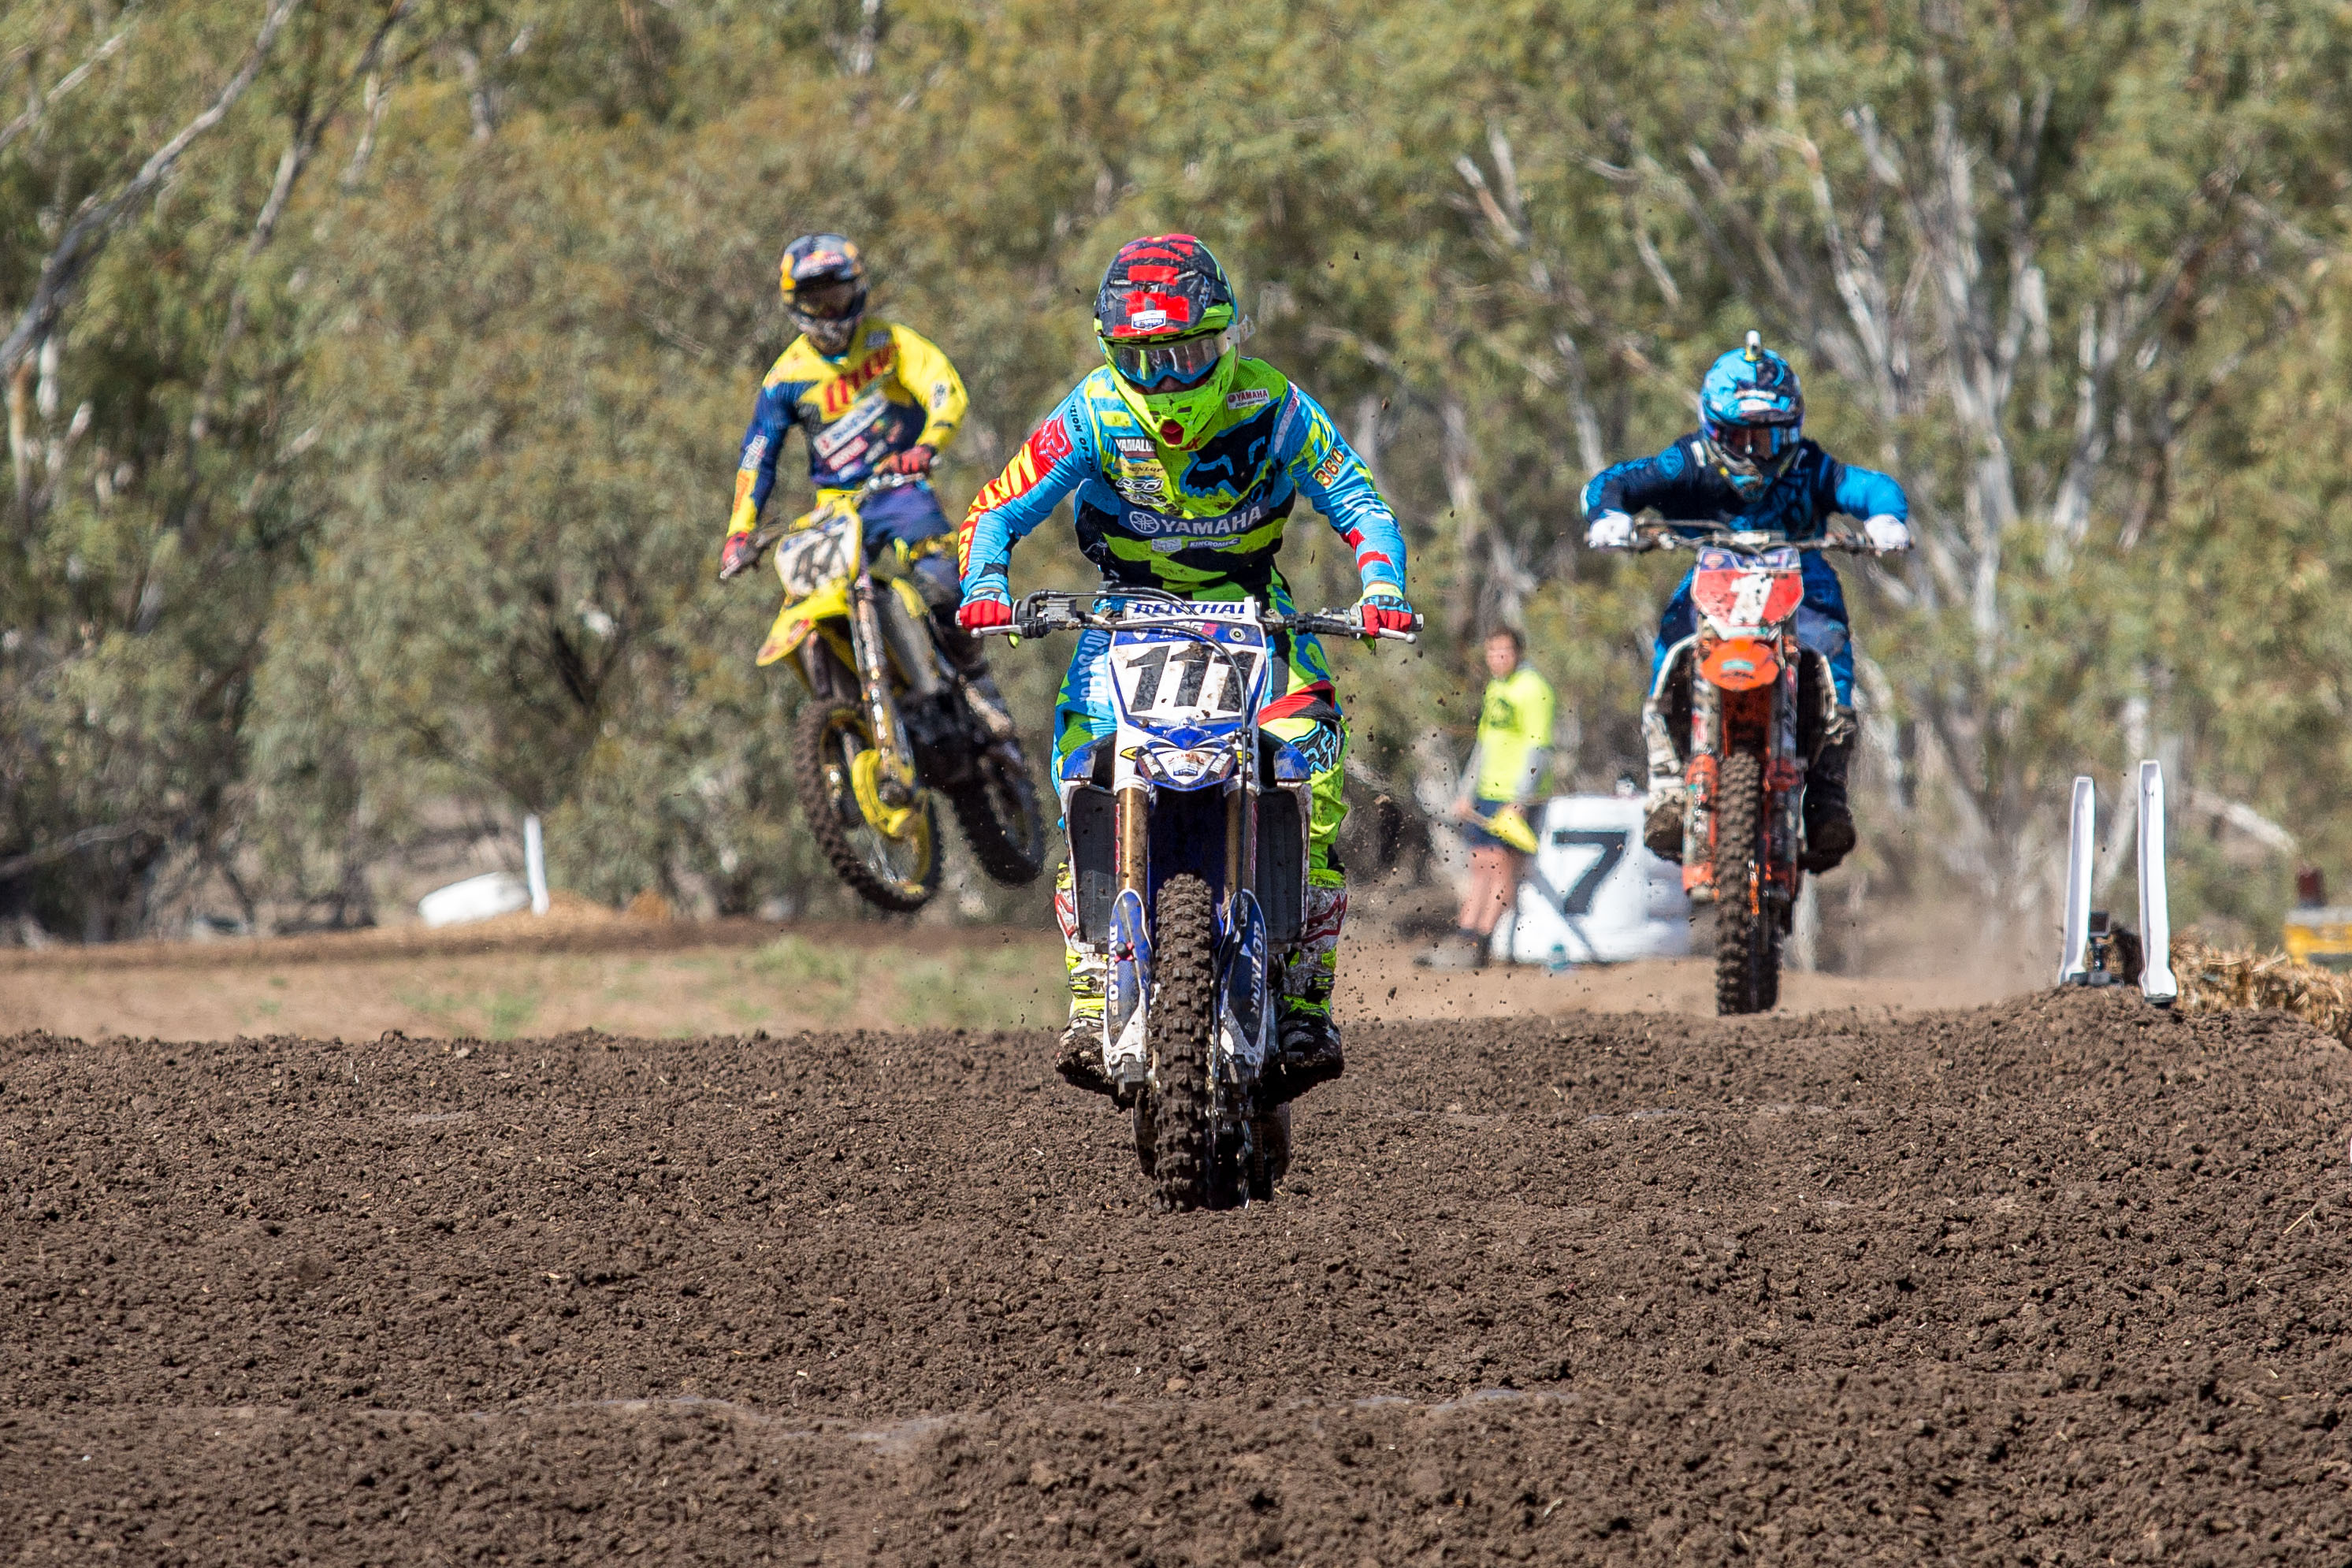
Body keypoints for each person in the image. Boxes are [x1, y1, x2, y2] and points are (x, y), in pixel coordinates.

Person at [954, 234, 1415, 1103]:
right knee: (1080, 782)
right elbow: (1000, 504)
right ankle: (1093, 997)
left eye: (1187, 355)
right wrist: (985, 579)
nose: (1169, 381)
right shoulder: (1092, 412)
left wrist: (1382, 580)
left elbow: (1357, 496)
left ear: (1225, 339)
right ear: (1112, 354)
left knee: (1313, 774)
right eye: (1146, 361)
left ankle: (1308, 997)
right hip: (1124, 614)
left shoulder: (1270, 404)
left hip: (1256, 611)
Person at [1581, 332, 1908, 871]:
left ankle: (1826, 790)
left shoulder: (1808, 465)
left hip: (1799, 575)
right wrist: (1609, 515)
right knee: (1672, 639)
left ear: (1793, 429)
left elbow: (1867, 486)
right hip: (1714, 574)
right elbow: (1618, 481)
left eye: (1769, 435)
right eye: (1740, 435)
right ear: (1713, 428)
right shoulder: (1687, 460)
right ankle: (1666, 780)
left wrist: (1884, 520)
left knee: (1830, 646)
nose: (1755, 448)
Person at [716, 234, 1006, 724]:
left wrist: (926, 446)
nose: (829, 309)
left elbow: (943, 386)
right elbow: (757, 457)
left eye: (837, 294)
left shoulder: (889, 341)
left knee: (942, 582)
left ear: (858, 289)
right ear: (795, 305)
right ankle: (852, 714)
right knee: (804, 610)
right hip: (835, 509)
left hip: (898, 488)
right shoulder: (785, 377)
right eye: (815, 299)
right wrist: (739, 533)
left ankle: (978, 683)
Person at [1421, 627, 1555, 970]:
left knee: (1501, 868)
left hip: (1515, 795)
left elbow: (1538, 748)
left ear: (1518, 652)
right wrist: (1466, 792)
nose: (1498, 658)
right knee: (1479, 865)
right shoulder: (1495, 689)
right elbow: (1484, 744)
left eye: (1504, 651)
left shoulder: (1535, 689)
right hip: (1486, 793)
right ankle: (1465, 936)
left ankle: (1480, 942)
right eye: (1492, 651)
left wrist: (1520, 800)